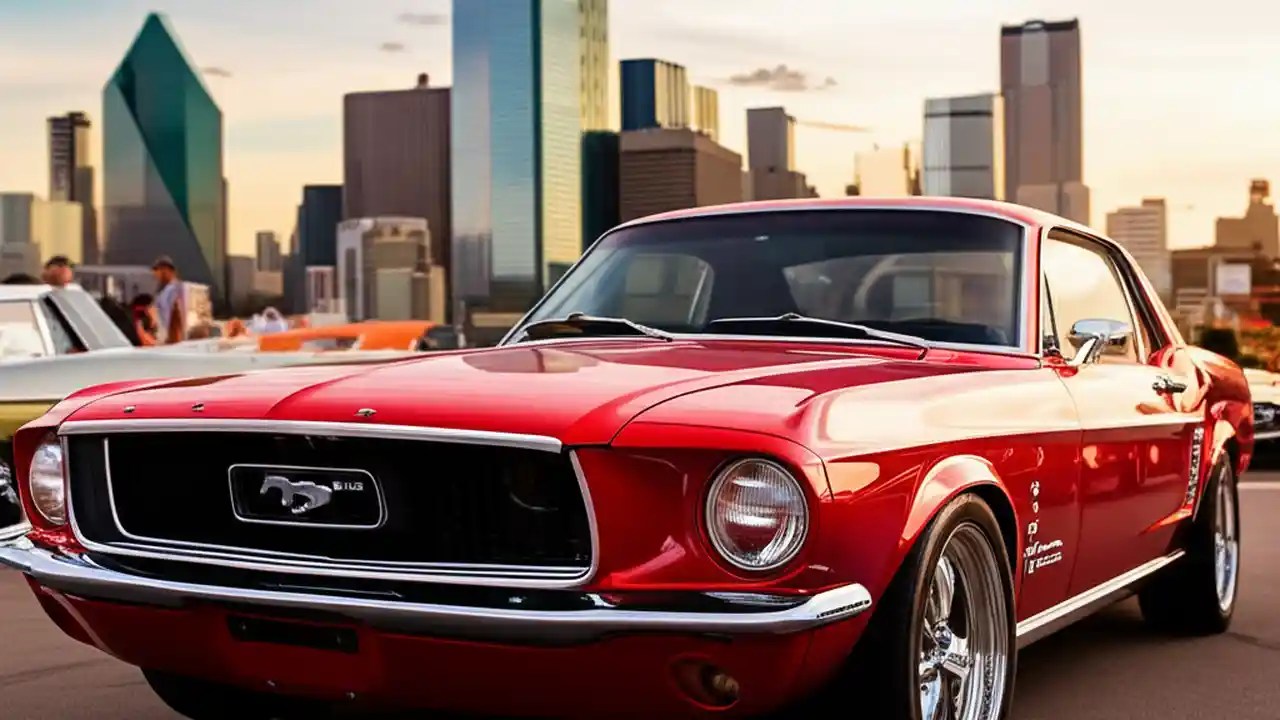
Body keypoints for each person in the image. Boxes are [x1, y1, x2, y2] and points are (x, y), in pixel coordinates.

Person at [152, 256, 185, 344]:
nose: (156, 274)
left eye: (159, 270)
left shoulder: (176, 288)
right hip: (164, 337)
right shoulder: (162, 290)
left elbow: (174, 316)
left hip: (172, 339)